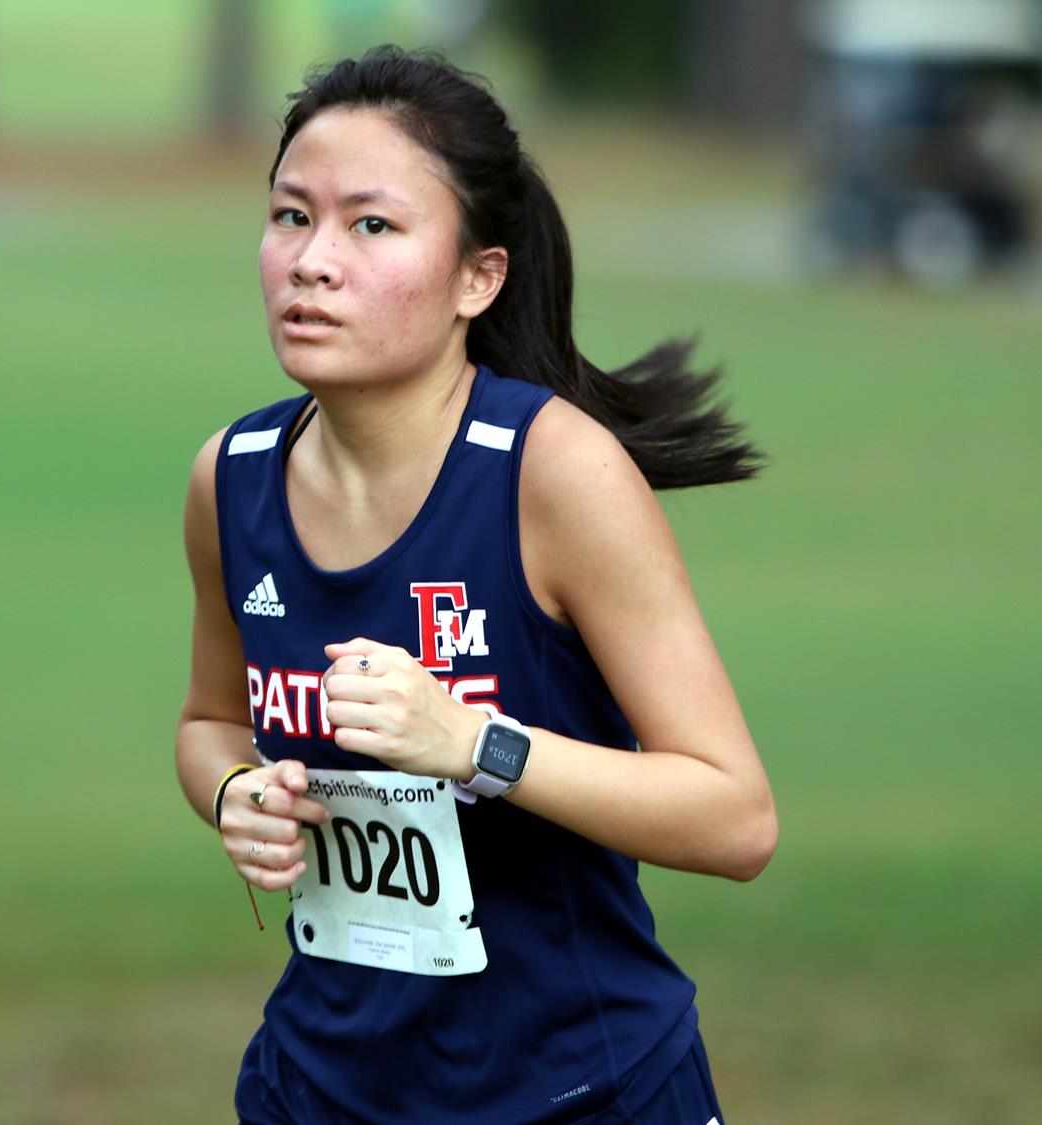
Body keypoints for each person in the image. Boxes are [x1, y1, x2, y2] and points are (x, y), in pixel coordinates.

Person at [174, 48, 777, 1124]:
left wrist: (473, 747)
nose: (310, 262)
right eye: (288, 216)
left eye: (371, 226)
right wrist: (234, 795)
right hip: (315, 1090)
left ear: (476, 278)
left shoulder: (554, 471)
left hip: (578, 1094)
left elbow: (733, 819)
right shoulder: (233, 477)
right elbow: (209, 721)